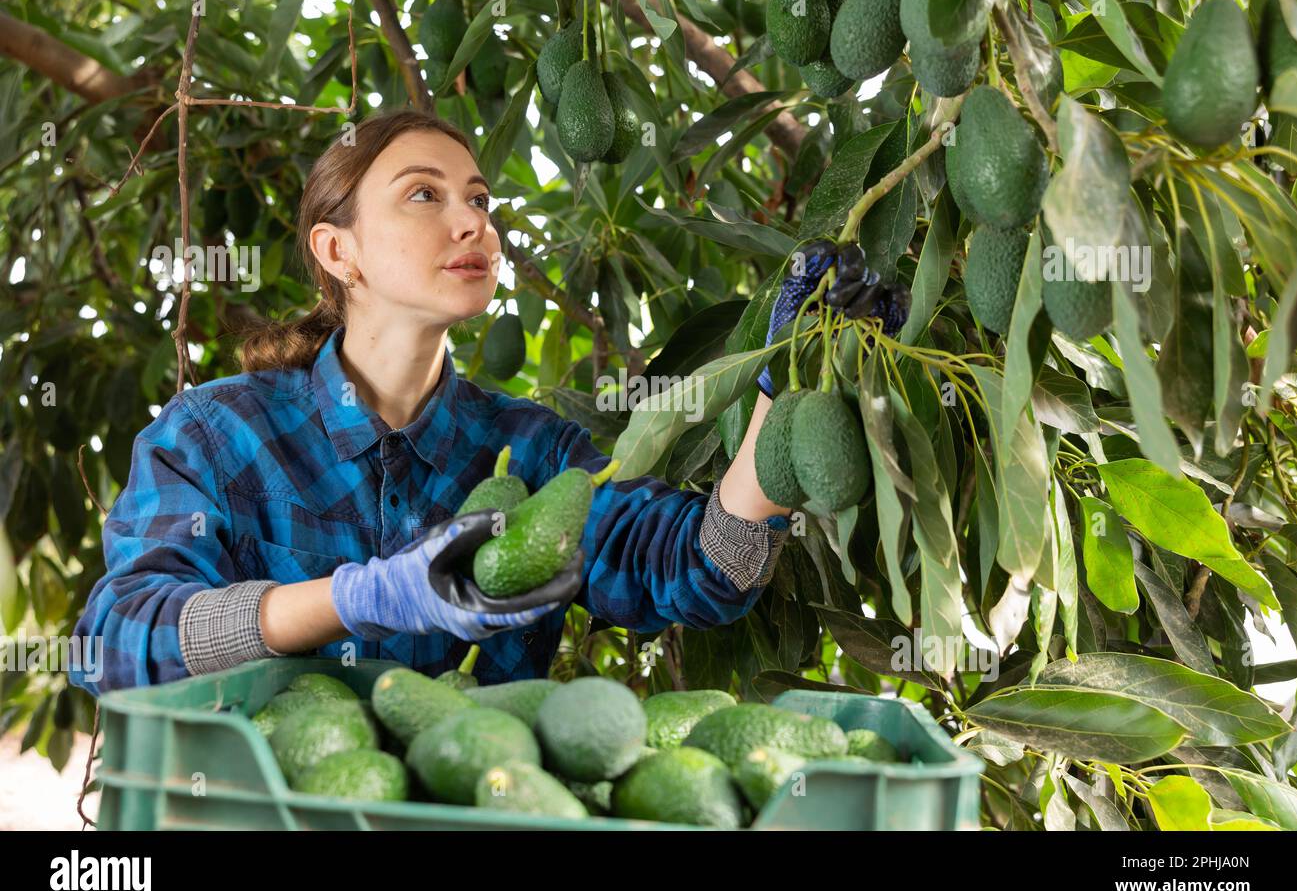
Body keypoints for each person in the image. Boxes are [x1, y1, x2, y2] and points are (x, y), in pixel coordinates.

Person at [69, 109, 841, 695]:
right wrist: (366, 598)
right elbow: (114, 642)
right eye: (423, 195)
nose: (474, 221)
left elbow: (700, 569)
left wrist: (787, 385)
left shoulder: (532, 451)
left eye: (478, 198)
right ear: (339, 251)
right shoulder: (217, 435)